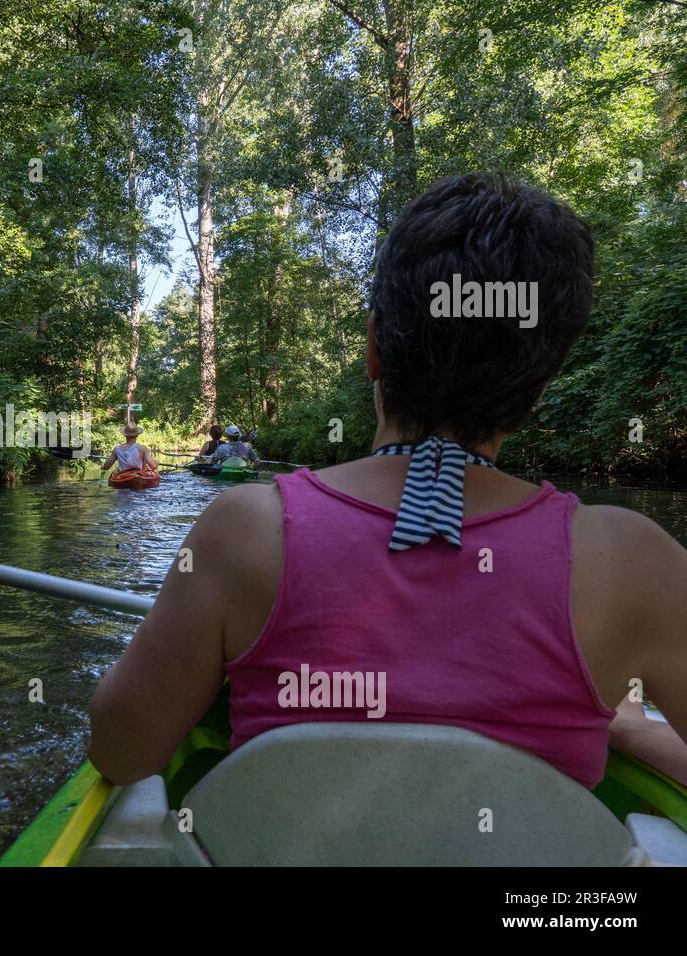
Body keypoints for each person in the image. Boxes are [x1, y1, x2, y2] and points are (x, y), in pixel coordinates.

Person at [89, 172, 687, 790]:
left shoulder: (243, 530)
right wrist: (631, 727)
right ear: (541, 386)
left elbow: (120, 752)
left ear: (374, 347)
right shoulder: (631, 561)